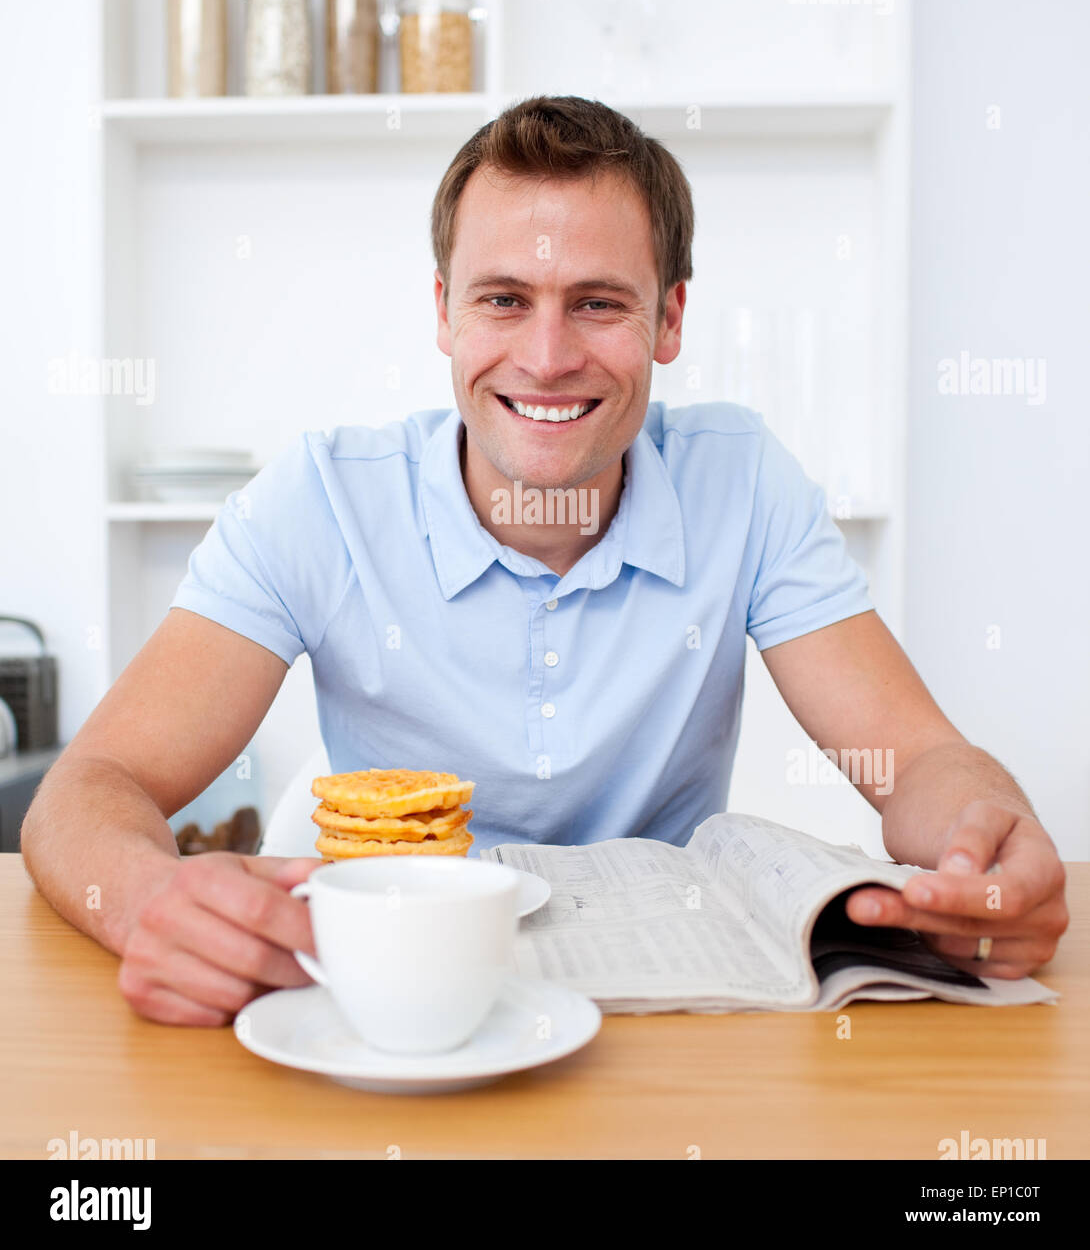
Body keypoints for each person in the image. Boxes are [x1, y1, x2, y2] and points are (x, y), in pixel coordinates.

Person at [20, 96, 1068, 1026]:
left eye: (599, 302)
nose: (548, 355)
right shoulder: (321, 499)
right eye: (503, 298)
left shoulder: (742, 482)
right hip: (398, 998)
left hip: (661, 1006)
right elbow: (91, 789)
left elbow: (916, 762)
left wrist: (990, 841)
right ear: (442, 312)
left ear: (669, 319)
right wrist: (148, 899)